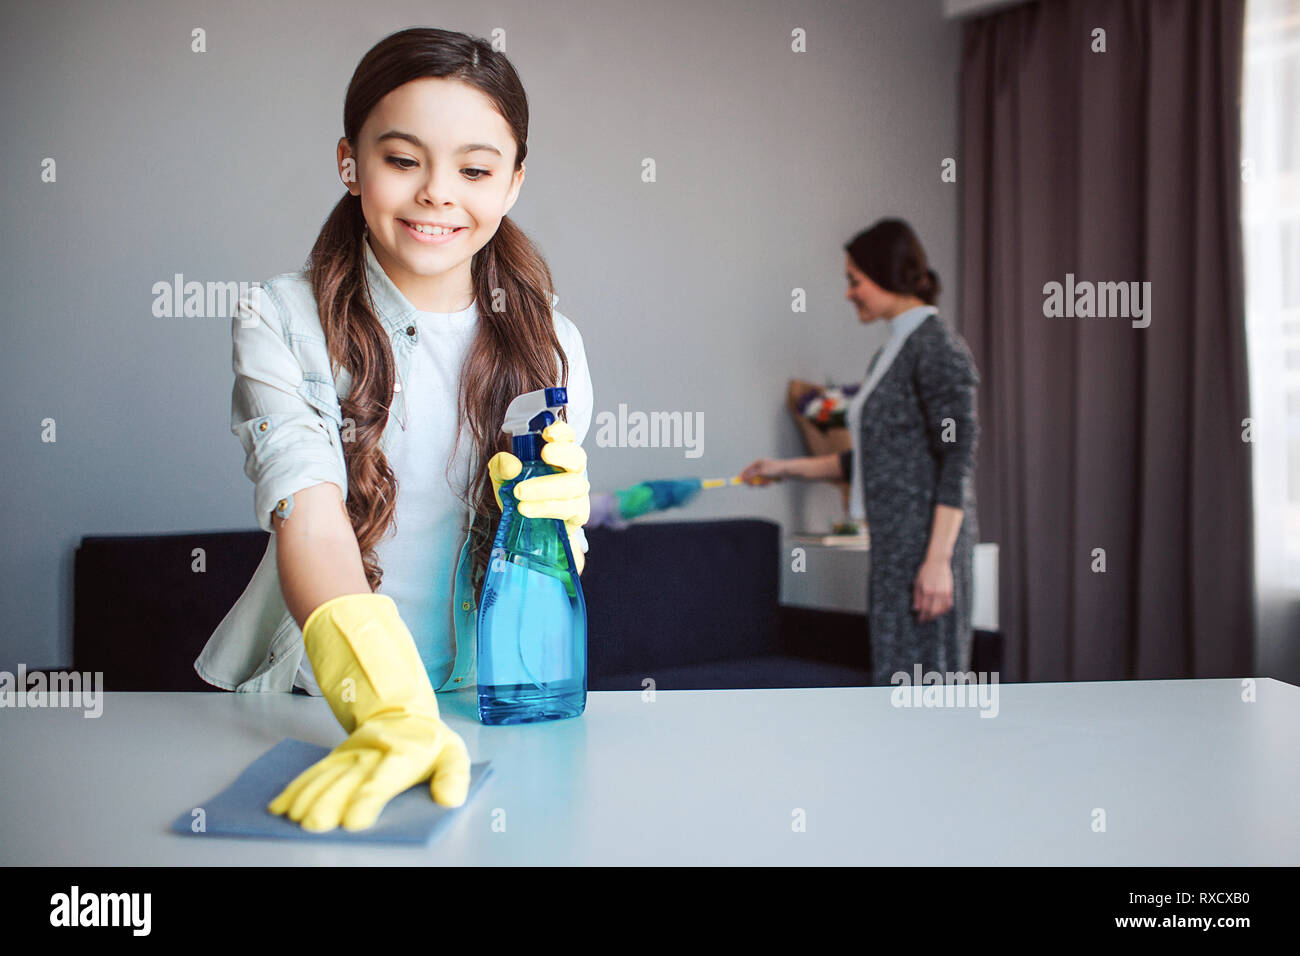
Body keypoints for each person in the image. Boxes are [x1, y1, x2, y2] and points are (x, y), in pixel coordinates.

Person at [192, 27, 594, 831]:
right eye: (403, 160)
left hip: (493, 704)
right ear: (350, 162)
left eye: (475, 169)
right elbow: (308, 516)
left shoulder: (552, 342)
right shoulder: (281, 317)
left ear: (513, 183)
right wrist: (387, 709)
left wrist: (564, 532)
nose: (438, 193)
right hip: (322, 703)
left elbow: (542, 557)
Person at [741, 219, 979, 685]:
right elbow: (873, 460)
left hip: (926, 550)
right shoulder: (891, 351)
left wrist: (937, 562)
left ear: (888, 273)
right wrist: (783, 468)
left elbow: (958, 458)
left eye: (855, 281)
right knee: (895, 688)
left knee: (928, 696)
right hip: (894, 547)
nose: (849, 293)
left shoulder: (937, 347)